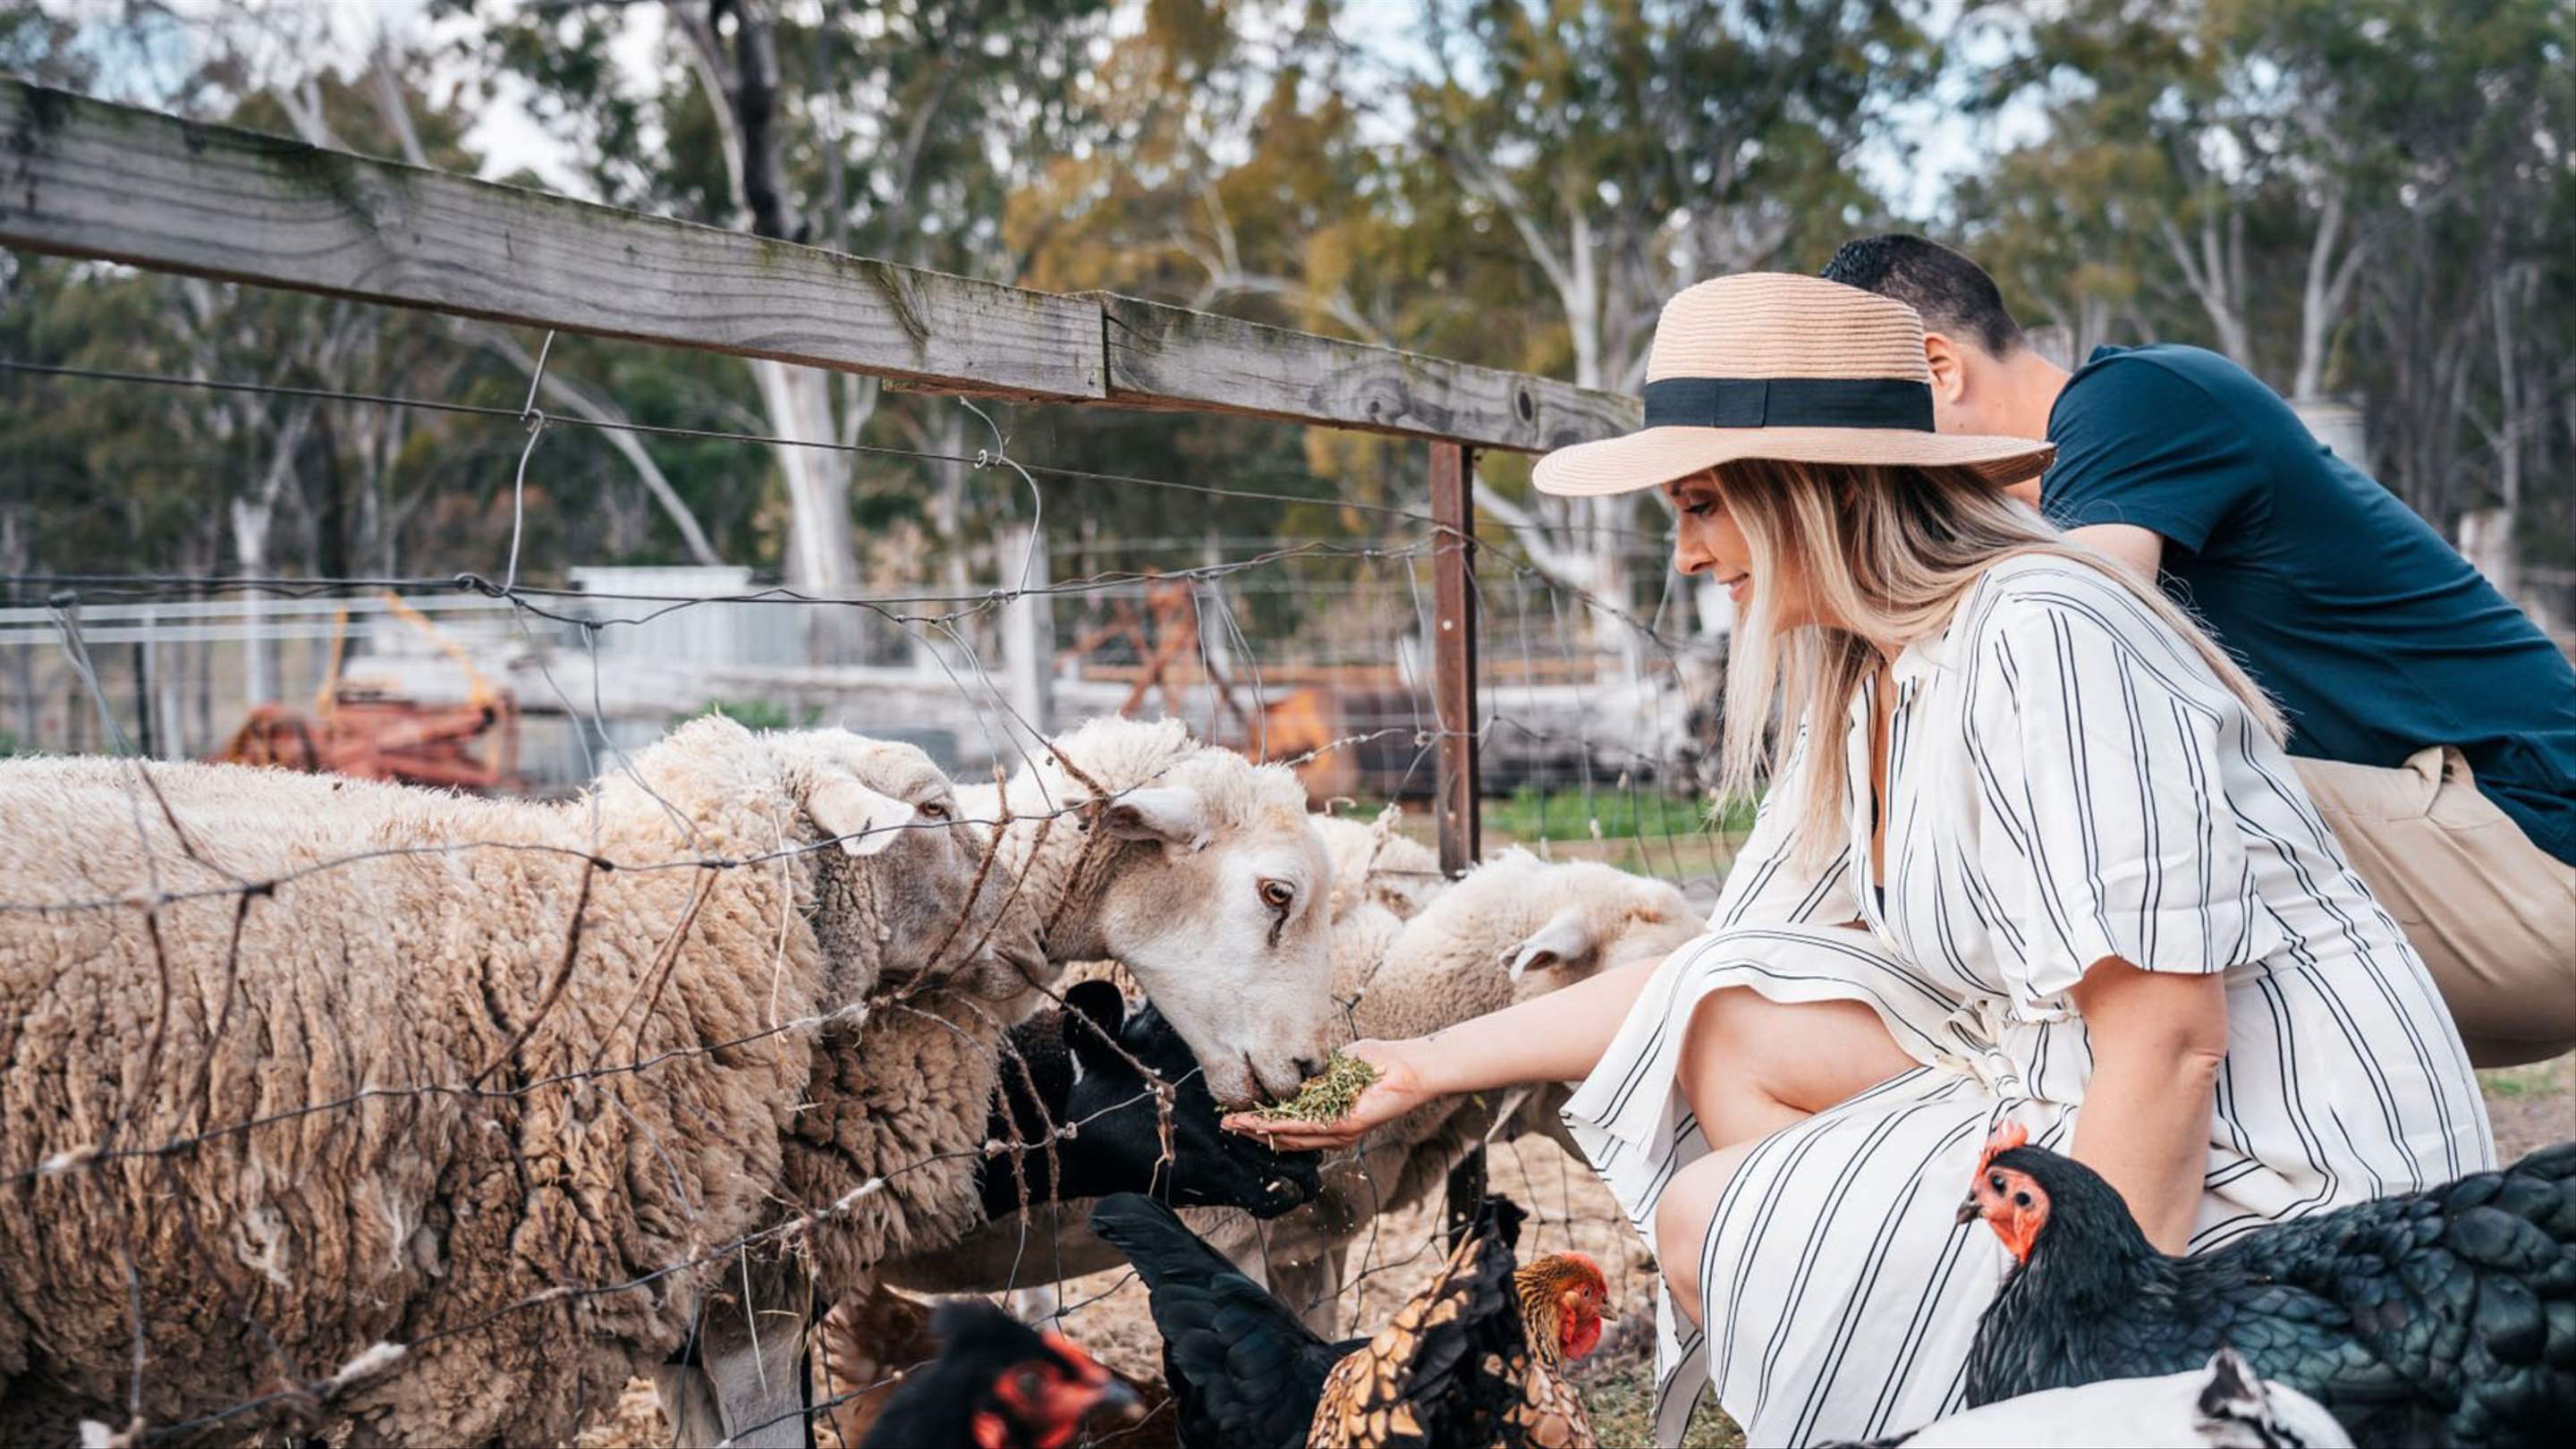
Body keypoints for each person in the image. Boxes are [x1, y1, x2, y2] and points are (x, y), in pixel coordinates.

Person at [1227, 274, 2492, 1446]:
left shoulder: (2046, 633)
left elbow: (2170, 1039)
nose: (1687, 555)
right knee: (1730, 1013)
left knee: (1711, 1219)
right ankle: (1883, 1374)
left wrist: (2085, 1369)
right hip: (2080, 1096)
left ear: (1812, 487)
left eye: (1705, 504)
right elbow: (1712, 973)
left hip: (2287, 1174)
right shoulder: (1870, 682)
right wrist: (1419, 1065)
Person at [1818, 234, 2576, 1067]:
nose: (1863, 467)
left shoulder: (2135, 401)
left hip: (2530, 853)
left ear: (1939, 369)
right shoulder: (2052, 516)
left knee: (2110, 794)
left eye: (1860, 425)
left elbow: (2071, 642)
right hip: (2462, 874)